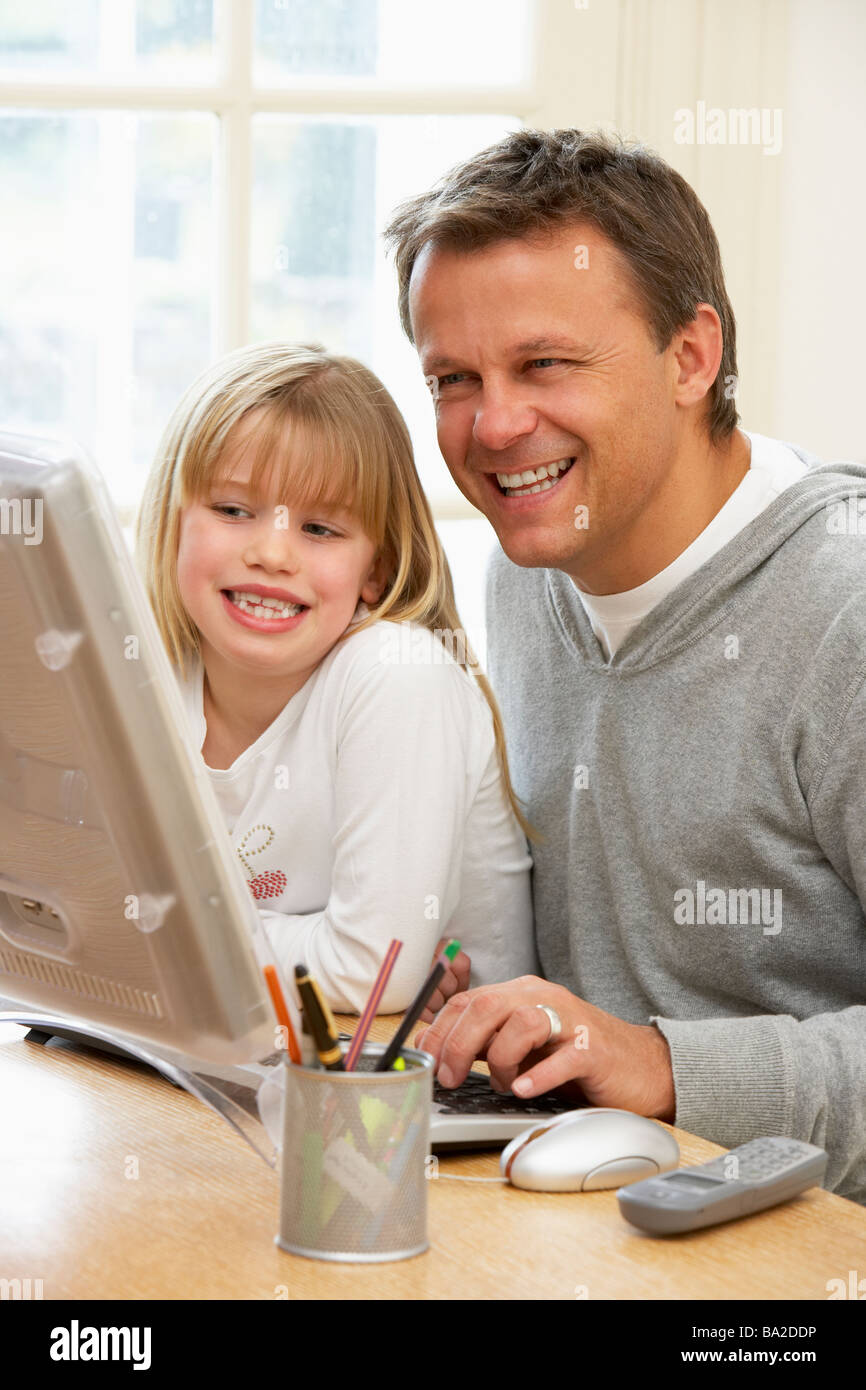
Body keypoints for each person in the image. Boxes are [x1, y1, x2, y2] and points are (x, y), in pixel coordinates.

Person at [383, 127, 866, 1203]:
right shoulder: (528, 568)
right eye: (452, 378)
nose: (494, 425)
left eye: (544, 364)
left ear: (690, 356)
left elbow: (642, 1037)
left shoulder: (844, 610)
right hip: (585, 1213)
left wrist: (662, 1063)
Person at [133, 341, 538, 1013]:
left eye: (320, 528)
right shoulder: (148, 676)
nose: (270, 553)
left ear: (376, 569)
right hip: (237, 1045)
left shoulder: (396, 676)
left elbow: (366, 975)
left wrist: (155, 939)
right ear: (176, 524)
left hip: (435, 1090)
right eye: (234, 511)